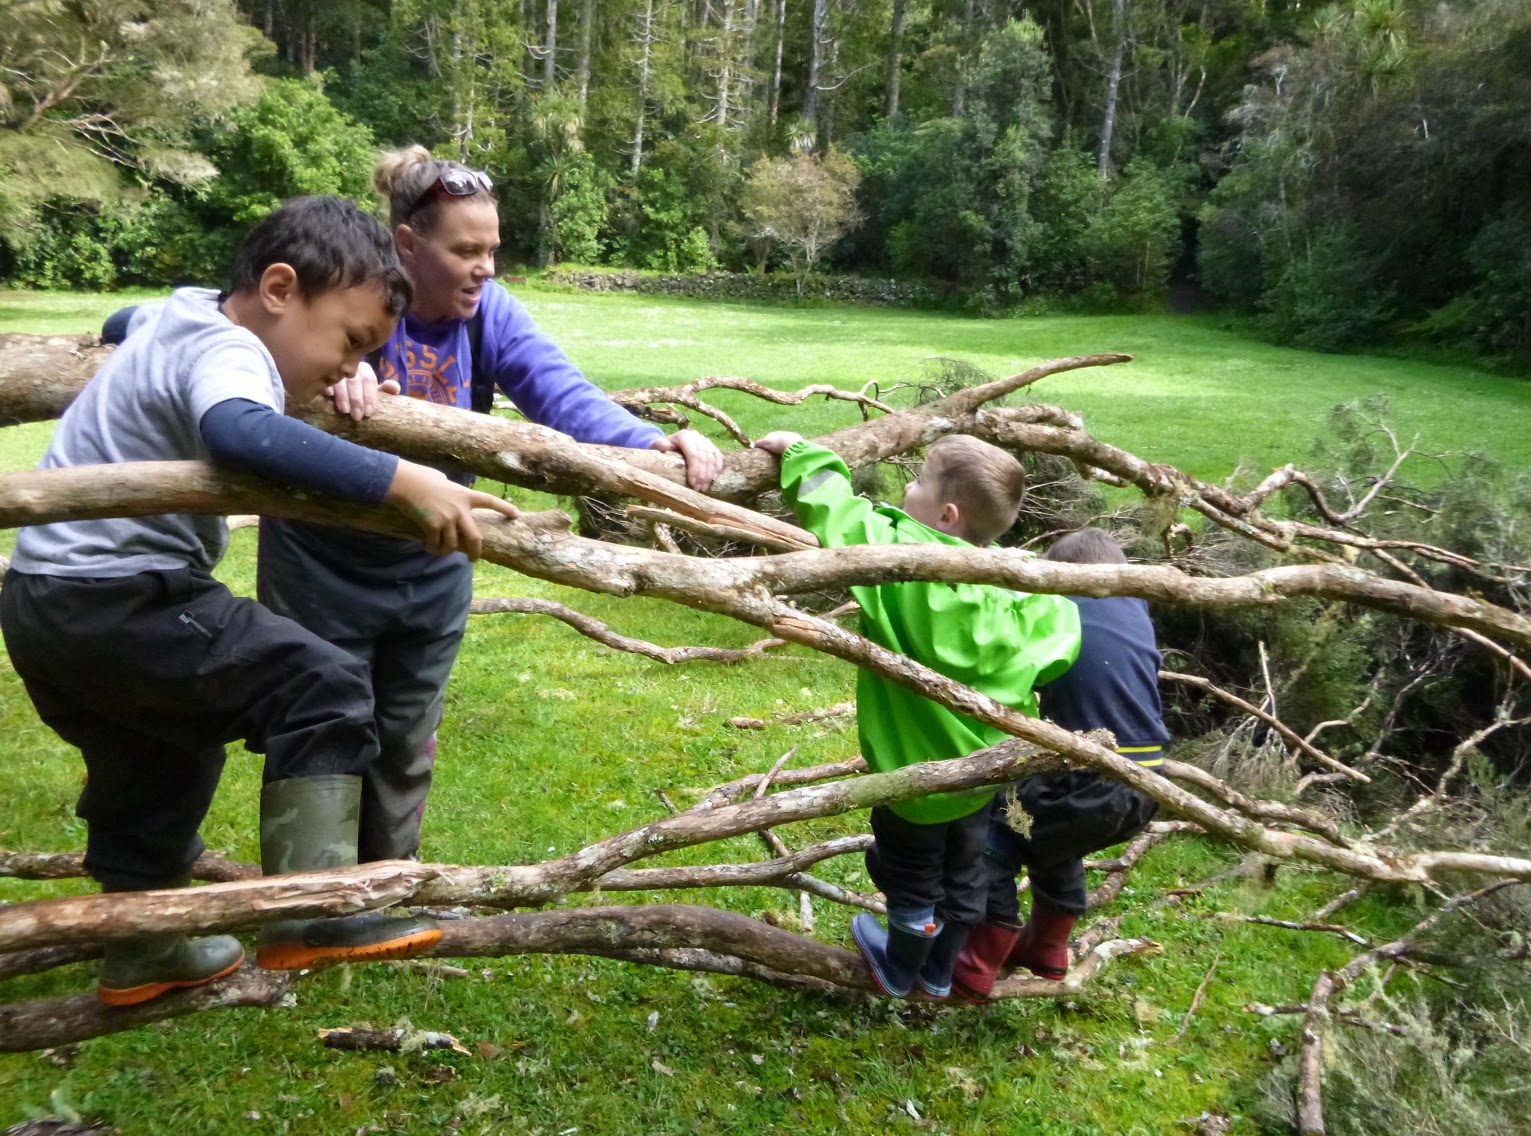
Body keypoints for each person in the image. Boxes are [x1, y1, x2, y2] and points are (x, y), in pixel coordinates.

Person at [0, 197, 519, 1004]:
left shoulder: (178, 316)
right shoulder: (231, 348)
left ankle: (144, 944)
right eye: (350, 343)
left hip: (42, 607)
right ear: (279, 288)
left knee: (161, 754)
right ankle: (312, 912)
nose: (350, 371)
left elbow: (121, 316)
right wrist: (404, 479)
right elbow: (243, 430)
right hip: (124, 592)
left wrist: (131, 325)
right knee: (323, 685)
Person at [254, 147, 724, 885]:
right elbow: (235, 327)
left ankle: (387, 889)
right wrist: (343, 362)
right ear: (407, 244)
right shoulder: (342, 293)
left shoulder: (489, 315)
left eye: (493, 250)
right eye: (465, 250)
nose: (487, 268)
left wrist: (650, 443)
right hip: (320, 564)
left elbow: (560, 394)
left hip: (435, 561)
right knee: (318, 720)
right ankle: (306, 902)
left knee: (407, 734)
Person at [753, 430, 1081, 998]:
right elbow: (1060, 639)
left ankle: (900, 967)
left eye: (920, 480)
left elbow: (837, 511)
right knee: (964, 873)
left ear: (947, 514)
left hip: (914, 780)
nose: (908, 484)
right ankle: (937, 970)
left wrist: (798, 451)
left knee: (908, 874)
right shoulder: (1022, 599)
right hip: (981, 777)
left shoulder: (901, 569)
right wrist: (1001, 563)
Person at [951, 528, 1168, 1002]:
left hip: (1088, 778)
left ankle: (978, 958)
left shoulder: (1057, 609)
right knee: (1053, 832)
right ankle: (1048, 946)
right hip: (1148, 783)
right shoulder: (1136, 608)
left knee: (994, 825)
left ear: (1058, 579)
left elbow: (1012, 649)